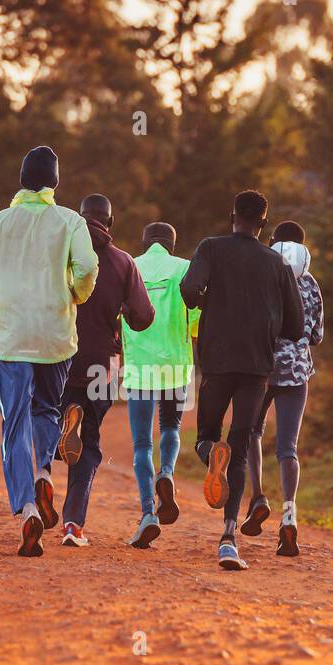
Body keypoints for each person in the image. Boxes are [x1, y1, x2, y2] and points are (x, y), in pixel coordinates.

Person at [0, 145, 99, 557]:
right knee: (47, 410)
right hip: (54, 335)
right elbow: (88, 268)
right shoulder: (70, 221)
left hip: (9, 338)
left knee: (14, 421)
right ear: (55, 183)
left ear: (22, 180)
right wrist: (74, 293)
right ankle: (43, 468)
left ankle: (27, 509)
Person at [180, 189, 304, 571]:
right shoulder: (277, 264)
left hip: (217, 362)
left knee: (207, 436)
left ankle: (208, 455)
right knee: (239, 442)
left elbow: (188, 290)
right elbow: (296, 325)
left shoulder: (211, 248)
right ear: (263, 223)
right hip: (256, 367)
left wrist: (208, 303)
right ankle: (229, 539)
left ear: (232, 214)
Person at [57, 194, 154, 548]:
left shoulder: (62, 255)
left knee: (47, 423)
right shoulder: (123, 262)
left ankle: (57, 441)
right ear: (110, 224)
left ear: (80, 220)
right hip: (102, 367)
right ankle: (72, 525)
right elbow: (144, 317)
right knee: (90, 444)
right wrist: (123, 308)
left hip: (60, 356)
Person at [242, 221, 324, 556]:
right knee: (288, 447)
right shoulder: (311, 283)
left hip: (261, 367)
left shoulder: (262, 276)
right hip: (297, 371)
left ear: (272, 243)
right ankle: (289, 514)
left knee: (251, 432)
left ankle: (258, 497)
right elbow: (317, 335)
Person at [121, 222, 199, 548]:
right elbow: (194, 316)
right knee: (171, 427)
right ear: (171, 243)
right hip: (175, 365)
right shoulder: (184, 268)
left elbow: (118, 315)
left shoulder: (131, 267)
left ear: (145, 241)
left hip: (139, 366)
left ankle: (148, 513)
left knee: (141, 445)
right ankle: (166, 472)